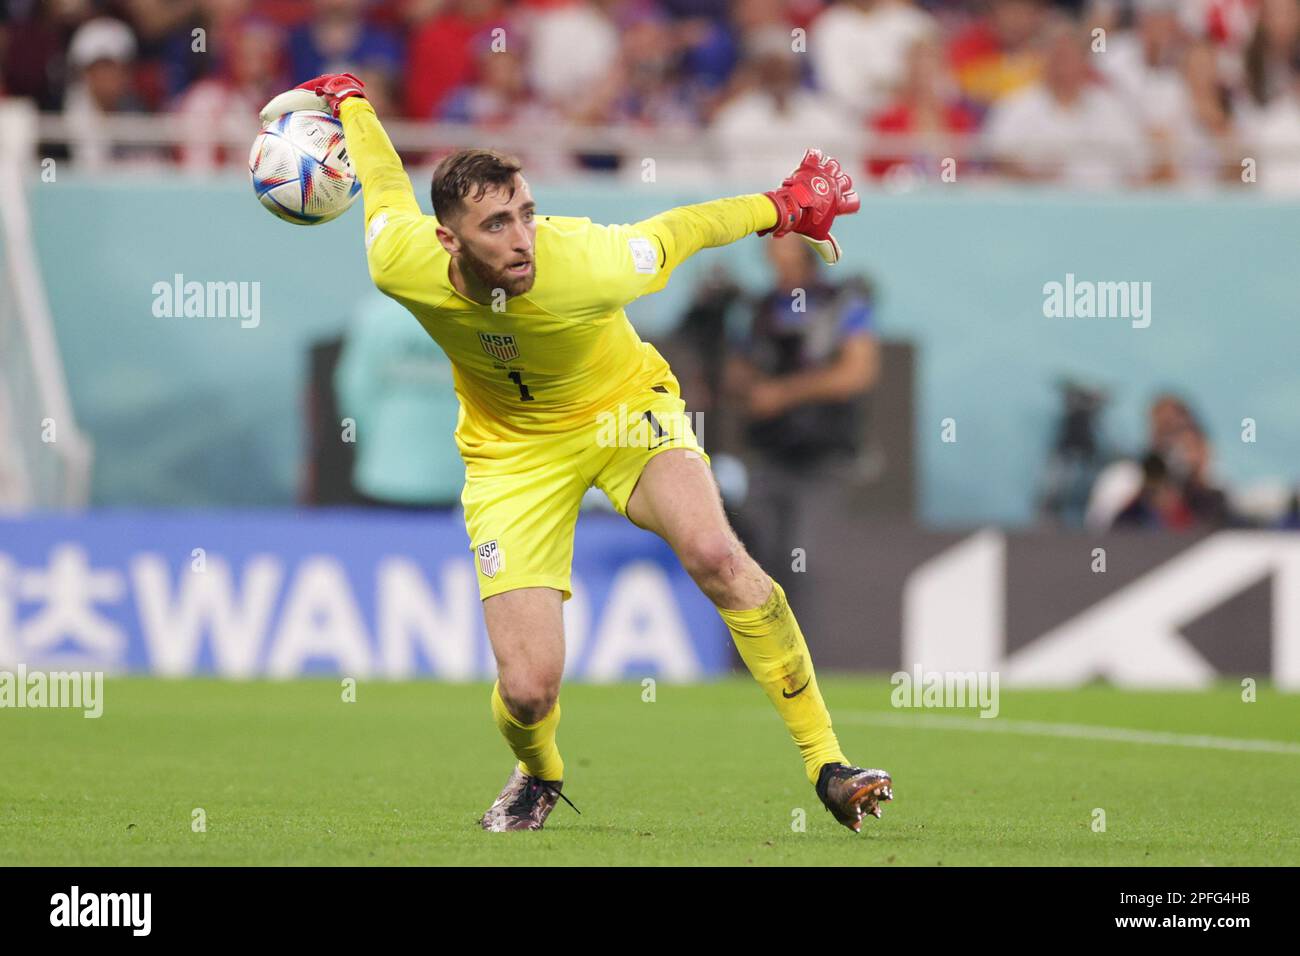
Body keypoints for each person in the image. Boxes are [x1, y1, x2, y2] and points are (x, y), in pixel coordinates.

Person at [259, 72, 892, 834]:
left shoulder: (587, 261)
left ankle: (828, 763)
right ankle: (538, 771)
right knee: (527, 690)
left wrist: (785, 206)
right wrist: (355, 103)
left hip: (625, 415)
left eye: (526, 213)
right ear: (447, 239)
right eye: (496, 224)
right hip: (510, 456)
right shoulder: (401, 262)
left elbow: (684, 228)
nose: (522, 237)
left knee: (717, 555)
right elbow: (386, 184)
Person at [726, 236, 879, 614]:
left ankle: (808, 657)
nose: (776, 253)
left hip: (821, 457)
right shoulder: (756, 310)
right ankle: (763, 658)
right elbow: (737, 371)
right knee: (759, 558)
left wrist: (784, 393)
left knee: (805, 559)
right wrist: (753, 389)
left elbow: (856, 373)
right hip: (768, 454)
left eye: (786, 244)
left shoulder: (840, 303)